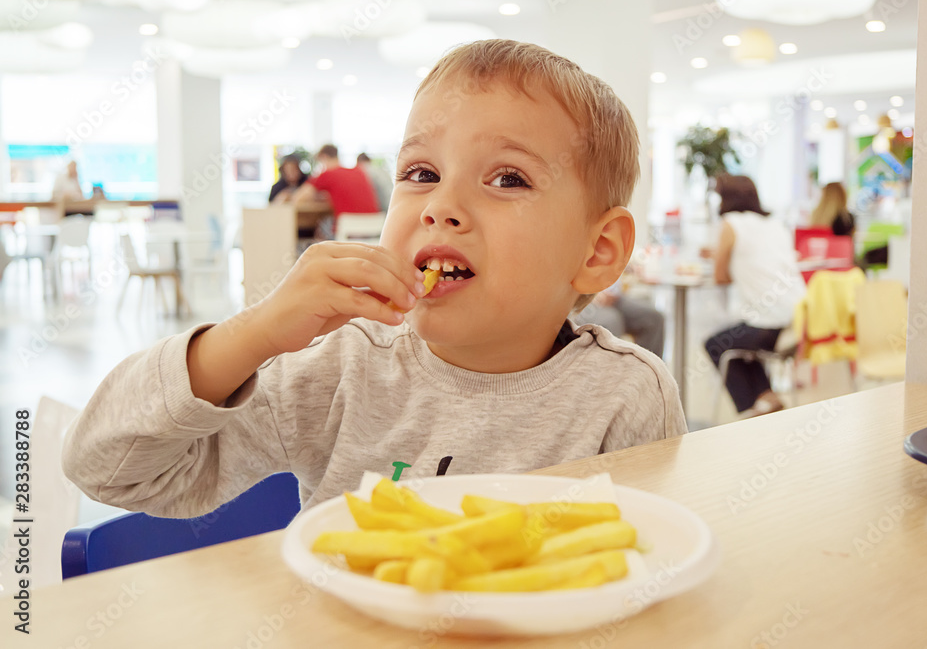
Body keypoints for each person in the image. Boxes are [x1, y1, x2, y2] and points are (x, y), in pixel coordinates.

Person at [62, 39, 687, 517]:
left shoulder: (625, 396)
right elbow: (105, 467)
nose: (440, 205)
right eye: (420, 172)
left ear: (598, 251)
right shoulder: (338, 370)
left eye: (507, 179)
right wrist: (254, 334)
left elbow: (651, 564)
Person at [704, 175, 805, 418]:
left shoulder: (730, 223)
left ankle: (750, 411)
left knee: (716, 343)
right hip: (800, 317)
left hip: (771, 325)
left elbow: (720, 277)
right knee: (738, 338)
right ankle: (767, 397)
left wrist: (722, 259)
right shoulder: (775, 223)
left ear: (726, 198)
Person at [292, 144, 379, 239]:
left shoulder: (327, 174)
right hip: (374, 228)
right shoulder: (358, 171)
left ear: (323, 157)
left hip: (348, 231)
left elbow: (298, 198)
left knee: (319, 229)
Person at [575, 278, 666, 357]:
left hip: (616, 297)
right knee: (613, 320)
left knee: (654, 318)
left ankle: (647, 371)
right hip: (588, 297)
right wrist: (593, 293)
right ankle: (613, 374)